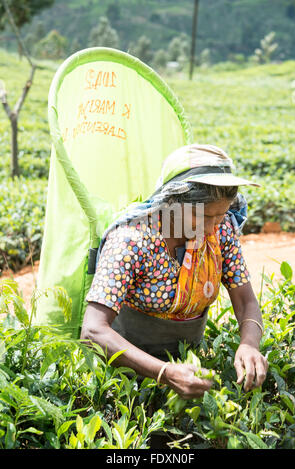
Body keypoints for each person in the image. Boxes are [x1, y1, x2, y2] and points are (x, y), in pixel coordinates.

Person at [80, 144, 268, 399]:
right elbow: (93, 331)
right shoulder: (131, 241)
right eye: (201, 216)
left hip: (189, 370)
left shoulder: (221, 232)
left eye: (220, 215)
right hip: (123, 376)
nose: (211, 227)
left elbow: (246, 301)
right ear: (171, 202)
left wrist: (249, 345)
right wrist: (164, 373)